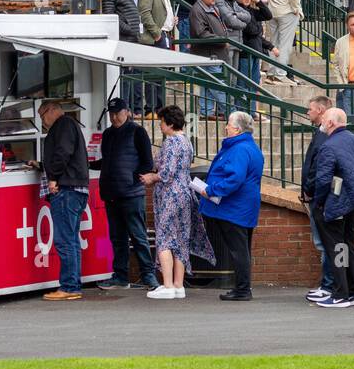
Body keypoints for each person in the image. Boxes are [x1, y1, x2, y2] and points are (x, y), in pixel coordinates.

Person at [140, 105, 214, 299]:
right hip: (185, 193)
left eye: (162, 122)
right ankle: (178, 284)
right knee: (181, 239)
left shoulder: (171, 142)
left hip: (169, 196)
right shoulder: (186, 142)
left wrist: (151, 177)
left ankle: (167, 285)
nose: (160, 126)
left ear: (170, 123)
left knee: (164, 238)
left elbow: (166, 172)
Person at [197, 110, 265, 301]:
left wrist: (210, 190)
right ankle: (242, 288)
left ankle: (243, 290)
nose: (225, 127)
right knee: (241, 249)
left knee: (238, 250)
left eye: (228, 124)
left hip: (234, 208)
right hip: (242, 207)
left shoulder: (239, 149)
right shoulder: (249, 147)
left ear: (236, 129)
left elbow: (234, 179)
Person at [97, 97, 157, 291]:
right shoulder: (107, 134)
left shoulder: (137, 131)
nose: (114, 117)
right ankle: (120, 276)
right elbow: (106, 161)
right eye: (111, 113)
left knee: (138, 236)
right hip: (111, 193)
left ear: (127, 112)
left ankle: (148, 275)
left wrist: (132, 178)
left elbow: (148, 163)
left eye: (118, 113)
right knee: (117, 238)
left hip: (131, 193)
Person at [312, 107, 354, 308]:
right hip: (353, 200)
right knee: (346, 245)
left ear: (331, 123)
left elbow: (323, 179)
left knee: (337, 247)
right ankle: (352, 290)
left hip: (335, 203)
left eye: (324, 120)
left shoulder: (329, 146)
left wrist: (318, 202)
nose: (322, 124)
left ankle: (340, 293)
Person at [40, 100, 89, 301]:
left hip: (66, 189)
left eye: (42, 115)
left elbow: (62, 153)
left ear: (52, 110)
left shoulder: (63, 125)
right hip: (75, 189)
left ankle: (69, 286)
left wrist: (53, 177)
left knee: (64, 240)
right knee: (71, 239)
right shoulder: (70, 125)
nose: (42, 121)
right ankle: (73, 285)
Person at [301, 95, 336, 304]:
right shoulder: (321, 134)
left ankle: (328, 285)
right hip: (318, 195)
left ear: (322, 111)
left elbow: (317, 168)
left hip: (320, 198)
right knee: (324, 244)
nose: (308, 112)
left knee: (324, 244)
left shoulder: (324, 136)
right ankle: (328, 283)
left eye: (311, 109)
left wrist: (309, 189)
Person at [188, 0, 231, 117]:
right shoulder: (197, 10)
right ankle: (231, 111)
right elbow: (201, 33)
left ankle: (205, 112)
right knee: (217, 85)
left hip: (214, 53)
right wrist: (221, 39)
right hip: (207, 54)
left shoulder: (212, 7)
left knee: (208, 84)